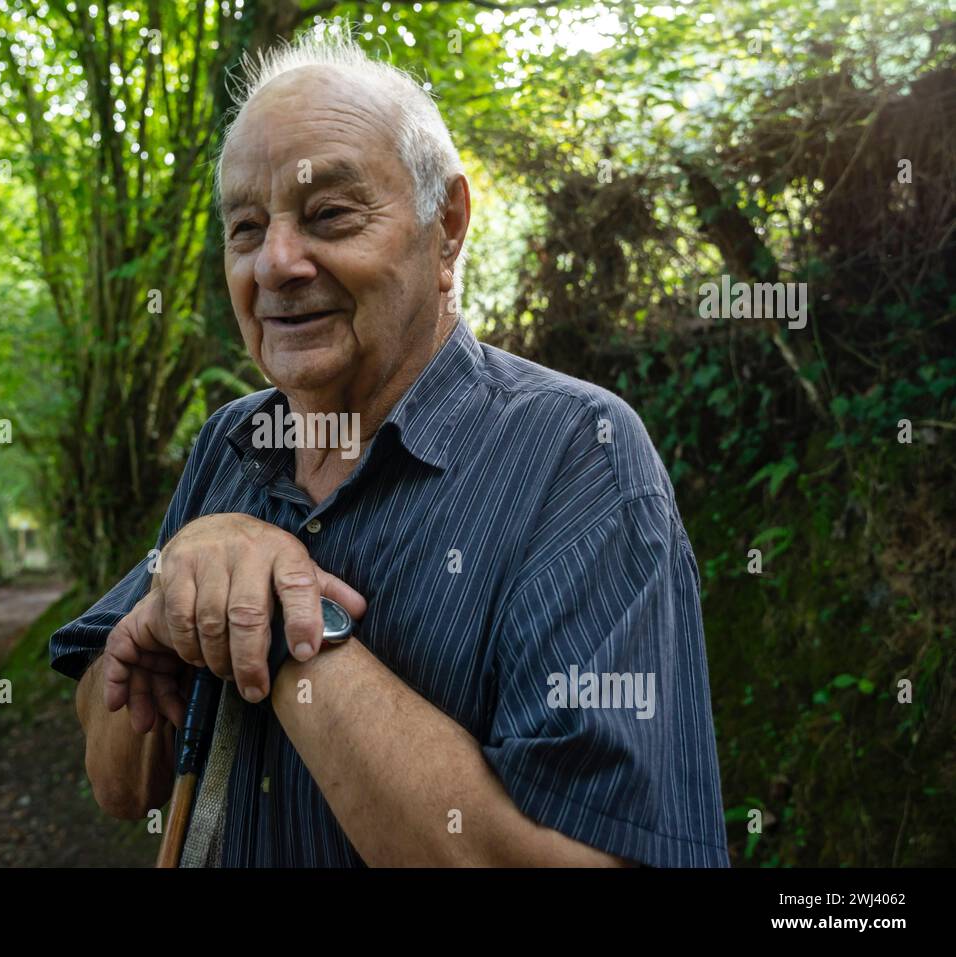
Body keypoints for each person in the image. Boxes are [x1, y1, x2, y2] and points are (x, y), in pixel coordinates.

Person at [49, 31, 728, 867]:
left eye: (331, 214)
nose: (277, 262)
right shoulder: (230, 444)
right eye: (245, 227)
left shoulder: (579, 455)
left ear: (446, 225)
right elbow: (121, 784)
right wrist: (173, 598)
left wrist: (277, 624)